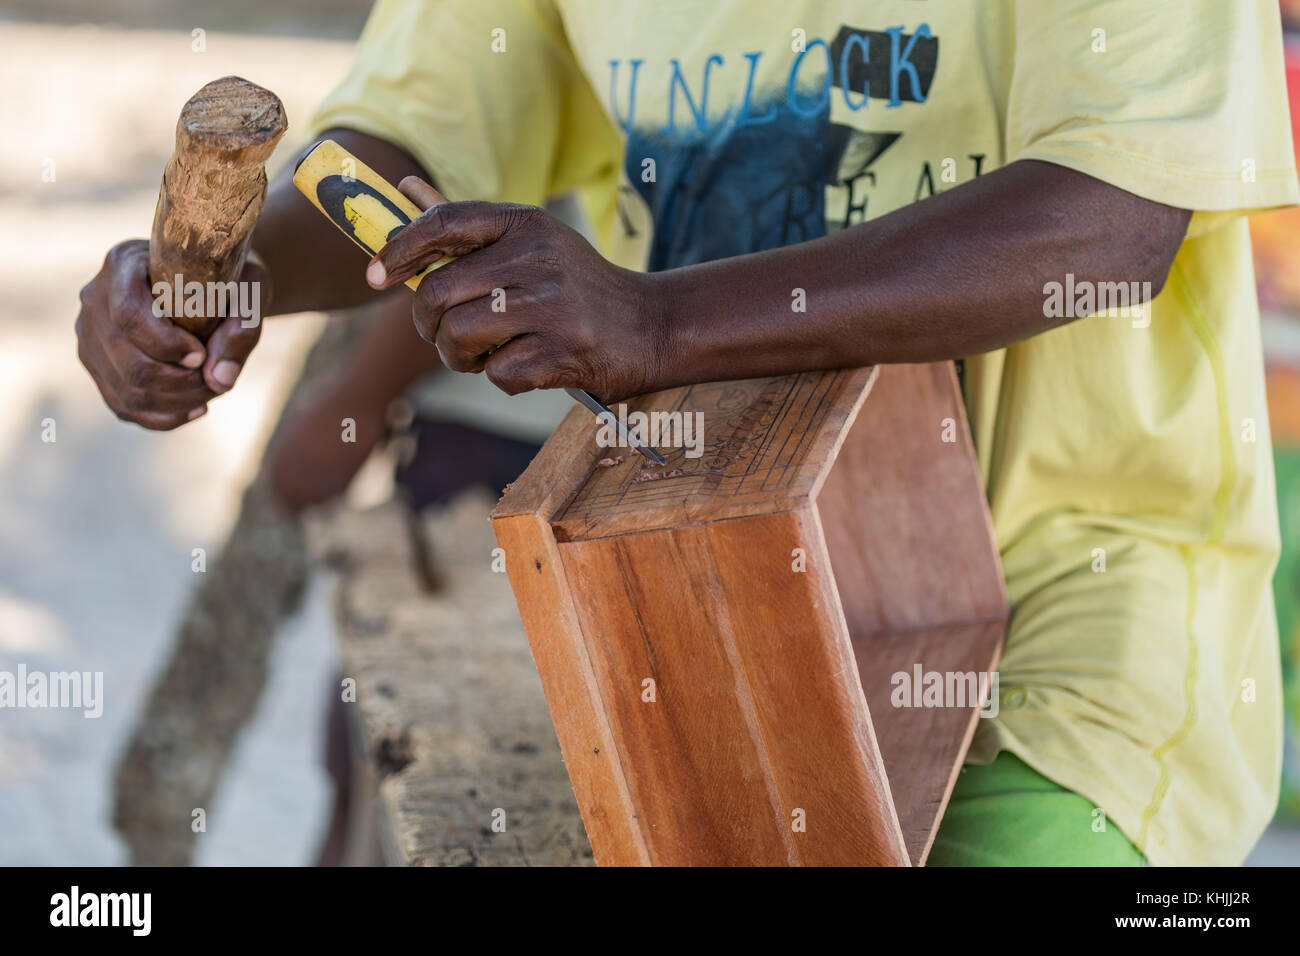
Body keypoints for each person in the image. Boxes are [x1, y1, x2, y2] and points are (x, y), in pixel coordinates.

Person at [76, 0, 1299, 865]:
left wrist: (653, 317)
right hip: (712, 603)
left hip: (1062, 632)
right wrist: (232, 283)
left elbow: (1113, 213)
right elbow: (392, 148)